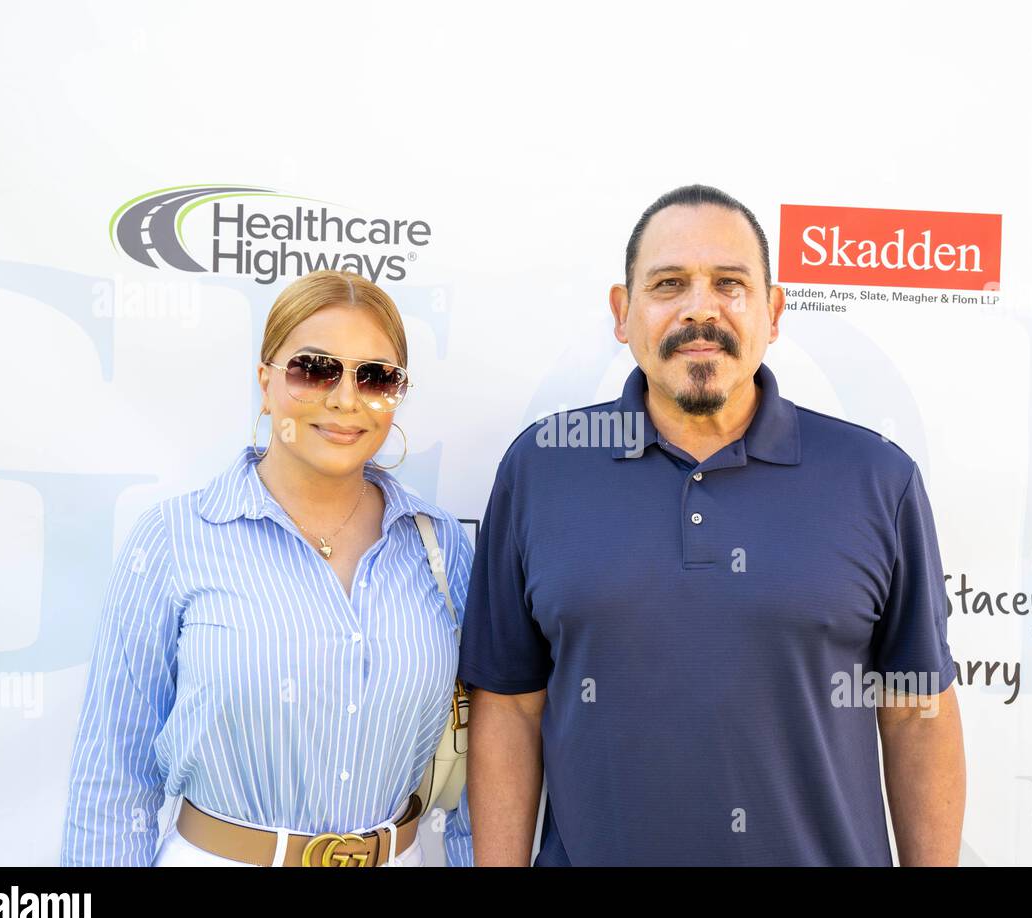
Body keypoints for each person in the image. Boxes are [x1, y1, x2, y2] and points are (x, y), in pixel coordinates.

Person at [461, 184, 966, 866]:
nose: (701, 308)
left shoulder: (876, 478)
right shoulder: (541, 468)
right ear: (623, 311)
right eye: (669, 284)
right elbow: (510, 709)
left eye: (730, 284)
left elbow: (915, 711)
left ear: (774, 310)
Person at [60, 268, 474, 866]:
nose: (345, 398)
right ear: (265, 381)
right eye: (314, 369)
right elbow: (112, 780)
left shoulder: (439, 549)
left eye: (376, 377)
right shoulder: (176, 540)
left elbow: (485, 765)